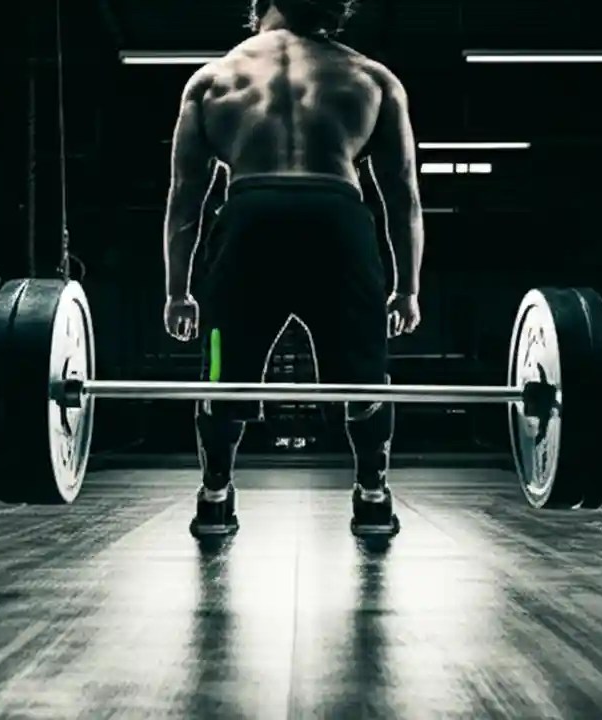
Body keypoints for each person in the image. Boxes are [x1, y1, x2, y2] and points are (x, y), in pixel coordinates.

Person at [161, 0, 425, 538]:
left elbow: (185, 198)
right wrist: (408, 289)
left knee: (222, 370)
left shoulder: (212, 79)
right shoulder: (372, 77)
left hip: (250, 218)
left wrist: (177, 291)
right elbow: (402, 194)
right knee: (364, 370)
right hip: (337, 219)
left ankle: (215, 496)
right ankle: (373, 496)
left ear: (261, 6)